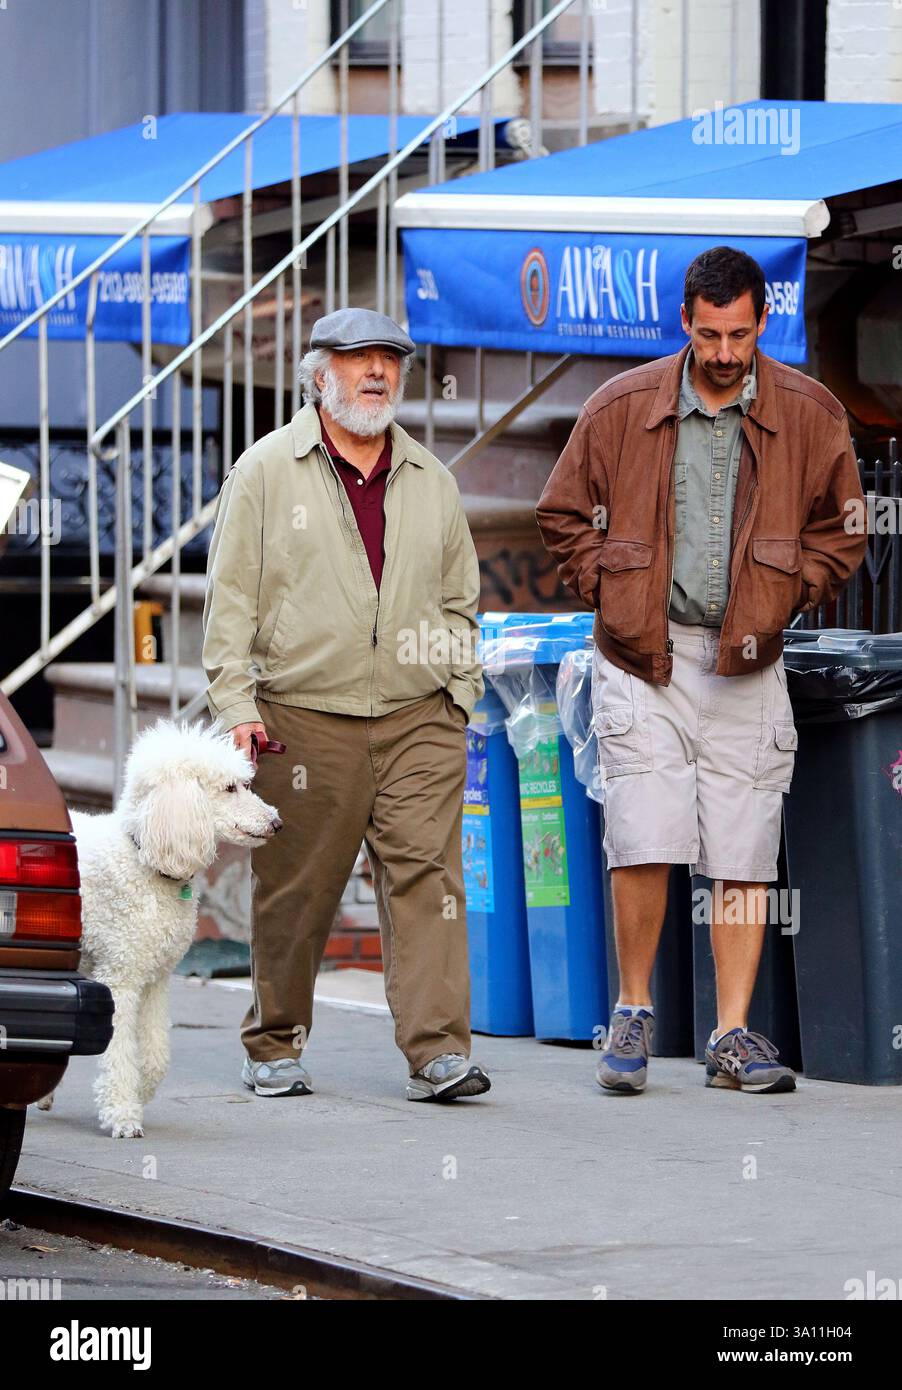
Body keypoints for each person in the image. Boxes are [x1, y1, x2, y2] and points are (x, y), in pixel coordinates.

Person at [536, 246, 866, 1096]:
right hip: (643, 658)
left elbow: (847, 526)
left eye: (741, 334)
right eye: (710, 333)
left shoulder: (811, 412)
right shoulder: (619, 406)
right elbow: (561, 512)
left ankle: (729, 1033)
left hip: (749, 661)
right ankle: (634, 1011)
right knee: (644, 836)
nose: (725, 352)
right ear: (684, 322)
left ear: (765, 322)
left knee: (745, 848)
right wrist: (609, 589)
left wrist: (791, 591)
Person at [202, 307, 489, 1103]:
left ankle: (438, 1052)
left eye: (389, 361)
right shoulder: (265, 471)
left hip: (418, 719)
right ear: (318, 373)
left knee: (428, 880)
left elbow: (462, 599)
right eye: (358, 358)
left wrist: (455, 693)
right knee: (297, 888)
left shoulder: (433, 479)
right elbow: (228, 604)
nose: (376, 373)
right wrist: (236, 704)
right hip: (302, 716)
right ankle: (273, 1042)